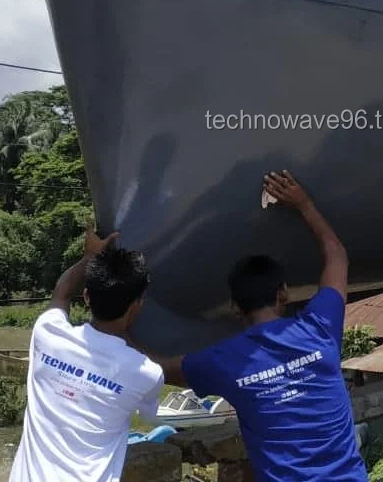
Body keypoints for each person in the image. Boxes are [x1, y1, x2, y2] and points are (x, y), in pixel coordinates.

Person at [148, 170, 366, 482]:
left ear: (235, 306)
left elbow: (157, 369)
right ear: (283, 293)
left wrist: (119, 323)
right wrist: (304, 203)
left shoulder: (223, 362)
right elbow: (337, 255)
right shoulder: (320, 327)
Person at [9, 224, 165, 482]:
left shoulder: (48, 334)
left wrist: (89, 257)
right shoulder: (146, 373)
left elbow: (61, 293)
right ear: (138, 304)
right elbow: (149, 415)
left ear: (86, 297)